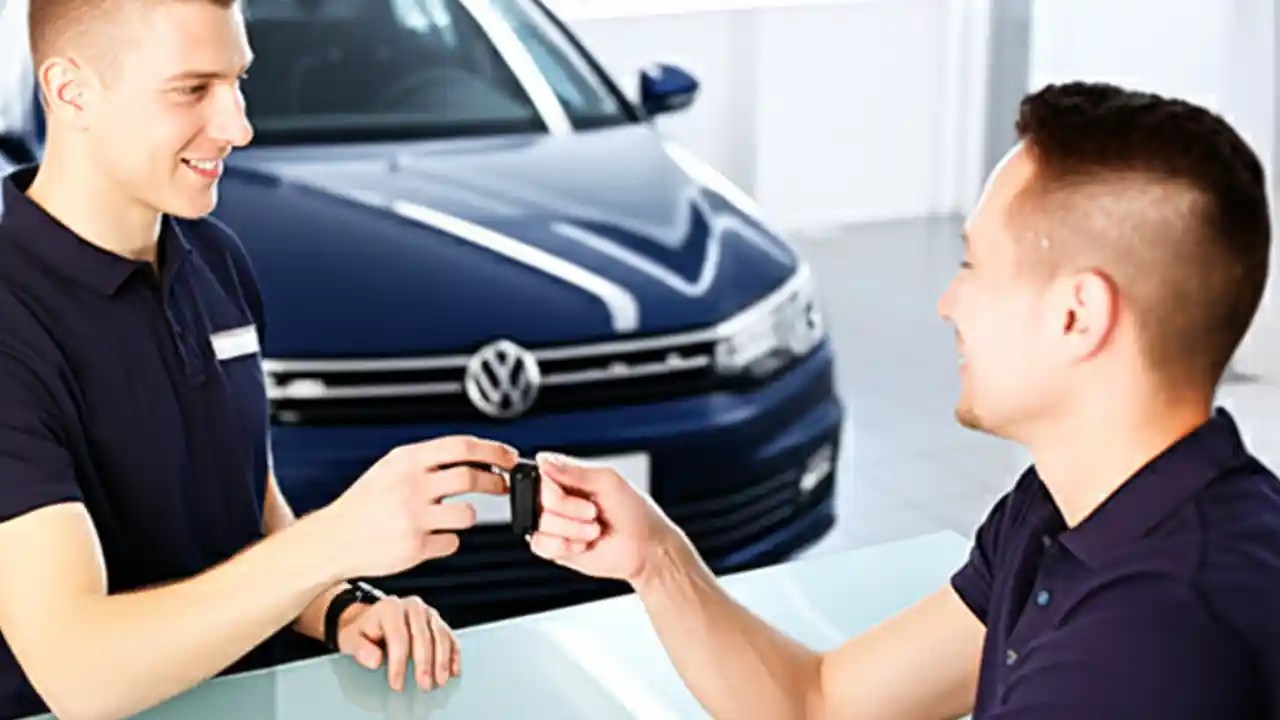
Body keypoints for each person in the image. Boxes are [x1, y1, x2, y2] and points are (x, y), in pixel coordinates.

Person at [529, 82, 1280, 718]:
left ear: (1076, 316)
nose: (950, 302)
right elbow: (820, 701)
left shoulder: (1160, 645)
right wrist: (656, 560)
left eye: (973, 266)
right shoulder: (1060, 509)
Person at [0, 1, 596, 718]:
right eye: (192, 89)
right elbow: (79, 676)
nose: (239, 126)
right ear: (71, 92)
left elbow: (252, 513)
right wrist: (337, 540)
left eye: (238, 81)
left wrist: (343, 607)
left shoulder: (213, 259)